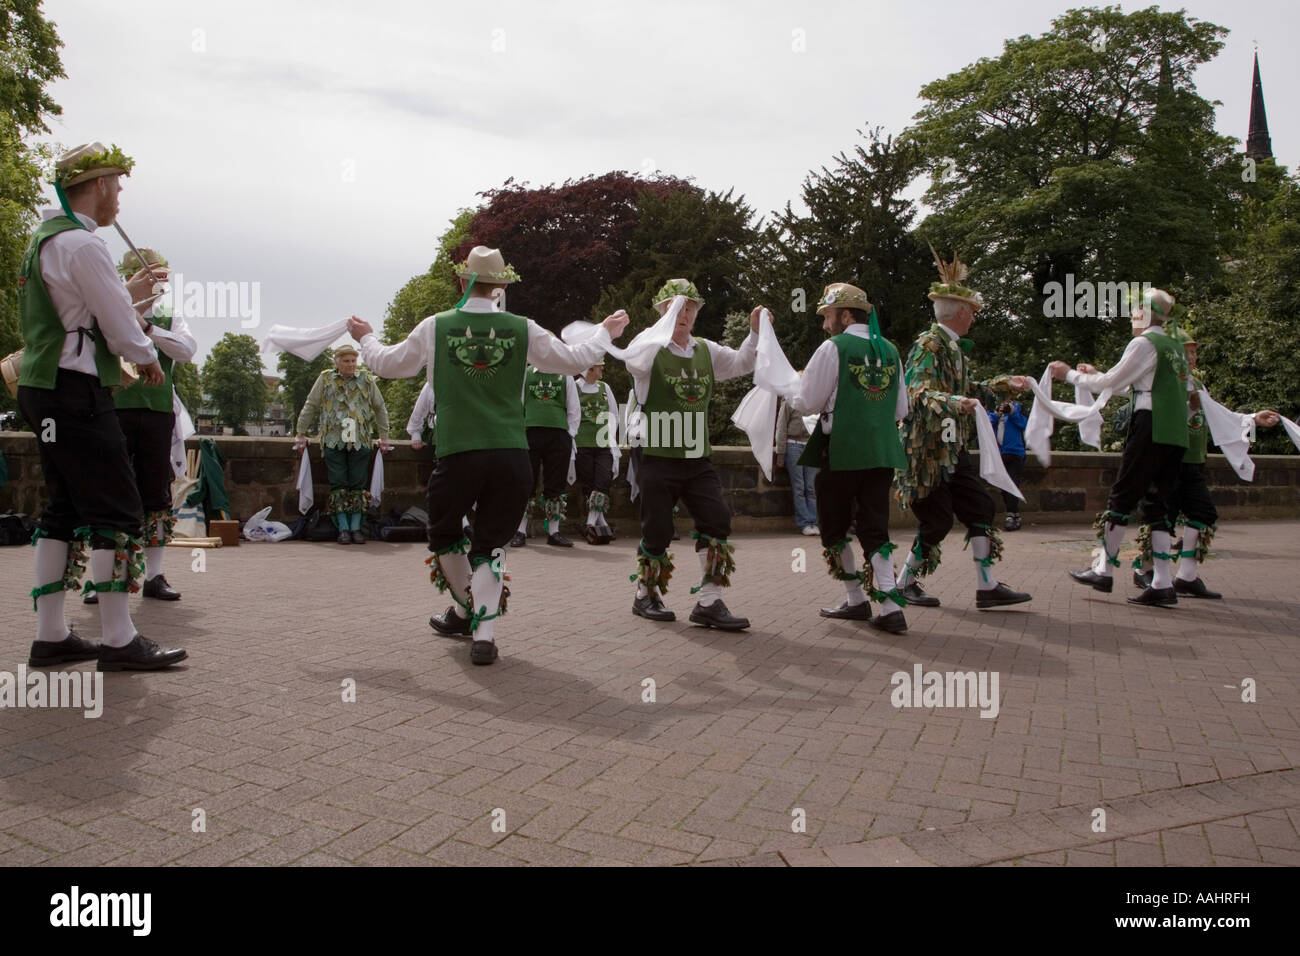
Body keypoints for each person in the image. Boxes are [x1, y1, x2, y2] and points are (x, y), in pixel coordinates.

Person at [349, 246, 627, 665]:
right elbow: (575, 358)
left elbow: (388, 365)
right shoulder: (522, 327)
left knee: (444, 534)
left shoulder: (436, 326)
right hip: (512, 455)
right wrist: (604, 330)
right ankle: (481, 629)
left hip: (460, 454)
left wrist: (365, 336)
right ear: (499, 287)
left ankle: (467, 611)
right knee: (491, 543)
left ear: (463, 283)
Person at [16, 142, 186, 670]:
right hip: (75, 391)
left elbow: (86, 307)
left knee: (63, 508)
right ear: (98, 184)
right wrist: (146, 357)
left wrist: (127, 290)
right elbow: (115, 325)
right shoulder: (84, 245)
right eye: (116, 185)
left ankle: (52, 635)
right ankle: (118, 639)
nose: (119, 199)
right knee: (117, 510)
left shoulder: (46, 239)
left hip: (42, 387)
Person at [895, 249, 1034, 610]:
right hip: (926, 454)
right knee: (938, 521)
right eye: (971, 311)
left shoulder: (954, 350)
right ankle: (902, 583)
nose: (974, 317)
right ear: (958, 313)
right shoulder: (929, 346)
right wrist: (957, 403)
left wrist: (1006, 383)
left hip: (952, 448)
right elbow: (919, 393)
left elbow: (968, 392)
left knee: (980, 508)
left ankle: (986, 587)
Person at [625, 278, 763, 630]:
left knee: (717, 520)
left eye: (689, 308)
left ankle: (709, 601)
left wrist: (755, 331)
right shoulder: (648, 350)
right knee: (657, 528)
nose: (683, 314)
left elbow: (743, 363)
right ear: (660, 312)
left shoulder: (706, 350)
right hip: (656, 451)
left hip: (695, 453)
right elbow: (632, 361)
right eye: (674, 307)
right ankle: (646, 594)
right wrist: (661, 328)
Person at [1054, 288, 1190, 607]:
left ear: (1144, 313)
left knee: (1122, 496)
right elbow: (1134, 385)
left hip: (1150, 426)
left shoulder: (1144, 342)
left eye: (1133, 310)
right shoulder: (1175, 347)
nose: (1130, 316)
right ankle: (1162, 582)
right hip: (1175, 431)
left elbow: (1112, 384)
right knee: (1157, 503)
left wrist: (1070, 375)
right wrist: (1098, 376)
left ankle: (1103, 569)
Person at [788, 283, 910, 633]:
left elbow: (807, 402)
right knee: (875, 528)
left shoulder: (833, 347)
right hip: (882, 451)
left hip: (841, 449)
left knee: (833, 527)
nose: (825, 324)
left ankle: (856, 598)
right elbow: (901, 407)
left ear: (844, 314)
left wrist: (788, 390)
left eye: (827, 316)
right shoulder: (890, 349)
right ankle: (888, 605)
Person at [1131, 329, 1283, 598]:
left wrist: (1252, 418)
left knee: (1203, 514)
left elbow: (1218, 415)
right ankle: (1146, 569)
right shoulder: (1161, 382)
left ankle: (1186, 577)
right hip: (1167, 461)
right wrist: (1188, 405)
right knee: (1161, 518)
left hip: (1193, 461)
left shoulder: (1198, 384)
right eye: (1186, 351)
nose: (1192, 356)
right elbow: (1156, 417)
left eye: (1194, 351)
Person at [85, 247, 197, 606]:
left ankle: (154, 575)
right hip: (114, 407)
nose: (153, 280)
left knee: (156, 492)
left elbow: (186, 350)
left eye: (158, 274)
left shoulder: (168, 314)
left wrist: (148, 327)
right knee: (108, 490)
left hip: (157, 410)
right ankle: (101, 578)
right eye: (144, 273)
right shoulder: (106, 307)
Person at [293, 344, 391, 544]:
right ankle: (343, 529)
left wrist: (384, 436)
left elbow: (379, 407)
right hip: (333, 440)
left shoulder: (367, 380)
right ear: (337, 362)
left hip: (360, 440)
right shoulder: (325, 378)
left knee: (358, 484)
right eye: (346, 361)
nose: (350, 365)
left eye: (353, 361)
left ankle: (356, 528)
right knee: (338, 484)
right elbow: (311, 405)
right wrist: (300, 433)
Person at [513, 363, 580, 548]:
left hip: (558, 435)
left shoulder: (564, 375)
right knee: (526, 482)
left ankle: (554, 532)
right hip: (530, 432)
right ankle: (520, 531)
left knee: (556, 484)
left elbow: (573, 406)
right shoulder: (525, 374)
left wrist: (570, 433)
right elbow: (518, 403)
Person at [572, 360, 621, 544]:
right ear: (590, 369)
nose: (602, 368)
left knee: (602, 481)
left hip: (603, 443)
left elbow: (614, 415)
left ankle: (591, 523)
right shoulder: (575, 388)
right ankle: (601, 525)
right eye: (600, 366)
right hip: (582, 443)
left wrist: (612, 441)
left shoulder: (604, 388)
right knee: (588, 484)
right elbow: (572, 414)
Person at [775, 394, 819, 536]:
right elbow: (781, 427)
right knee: (799, 486)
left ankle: (813, 522)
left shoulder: (815, 400)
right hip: (793, 446)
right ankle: (805, 523)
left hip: (811, 446)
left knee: (811, 487)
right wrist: (780, 453)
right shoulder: (789, 401)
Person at [988, 400, 1028, 530]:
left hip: (1015, 453)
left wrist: (1012, 412)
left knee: (1013, 483)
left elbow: (1025, 424)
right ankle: (1014, 514)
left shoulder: (1019, 407)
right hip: (999, 453)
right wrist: (996, 414)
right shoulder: (994, 406)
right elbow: (986, 425)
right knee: (1004, 486)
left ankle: (1010, 514)